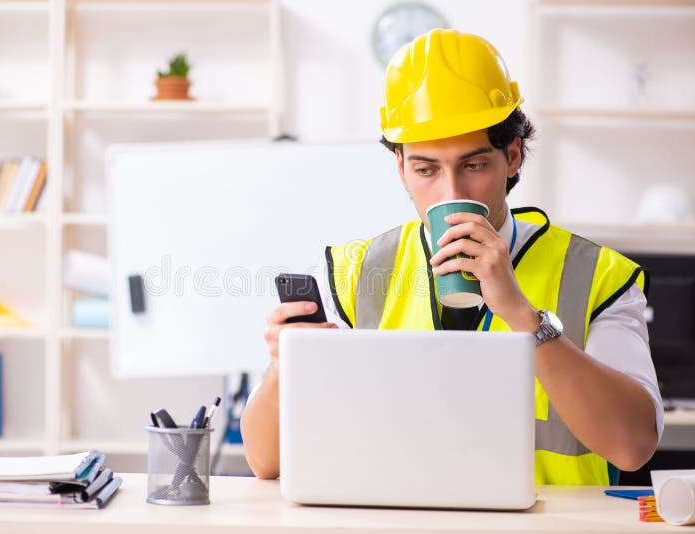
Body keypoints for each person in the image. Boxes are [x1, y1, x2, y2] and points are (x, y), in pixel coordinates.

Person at [240, 29, 662, 485]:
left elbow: (633, 446)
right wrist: (289, 365)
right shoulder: (354, 271)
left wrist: (525, 319)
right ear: (400, 168)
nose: (451, 192)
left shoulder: (597, 275)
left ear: (514, 156)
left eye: (474, 165)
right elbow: (265, 461)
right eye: (426, 170)